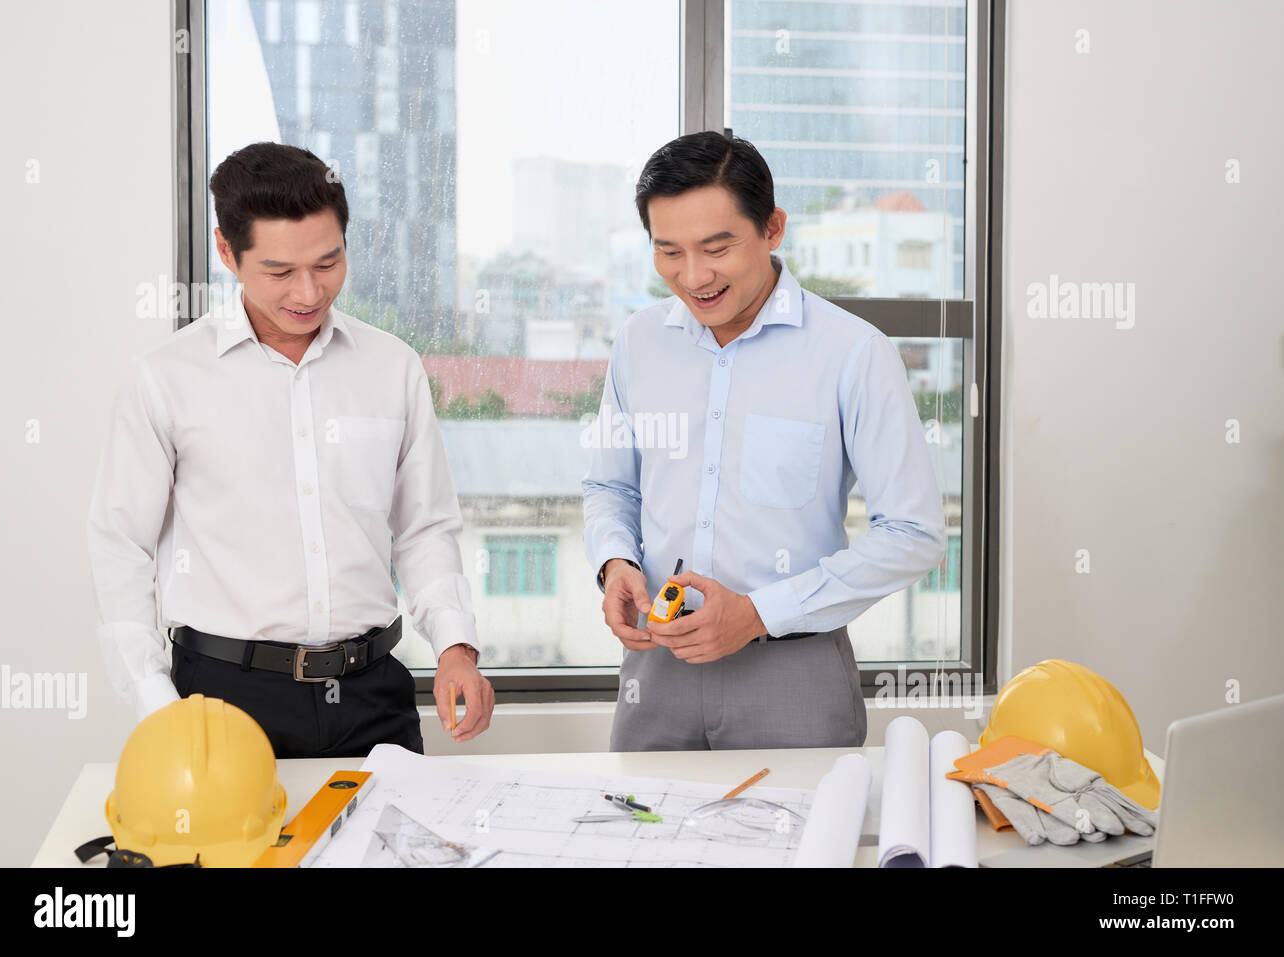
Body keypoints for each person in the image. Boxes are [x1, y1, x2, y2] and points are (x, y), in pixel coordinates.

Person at [87, 142, 493, 758]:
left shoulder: (392, 367)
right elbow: (120, 546)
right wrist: (155, 702)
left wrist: (455, 646)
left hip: (374, 695)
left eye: (328, 262)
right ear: (227, 252)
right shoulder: (165, 379)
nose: (308, 291)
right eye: (279, 271)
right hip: (224, 700)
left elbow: (423, 528)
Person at [582, 130, 945, 751]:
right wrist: (615, 561)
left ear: (773, 228)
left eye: (716, 248)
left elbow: (913, 534)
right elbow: (610, 485)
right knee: (645, 843)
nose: (693, 277)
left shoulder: (853, 352)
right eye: (668, 251)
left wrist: (758, 614)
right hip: (657, 669)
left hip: (794, 672)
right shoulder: (639, 343)